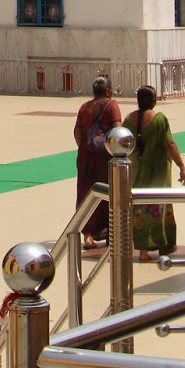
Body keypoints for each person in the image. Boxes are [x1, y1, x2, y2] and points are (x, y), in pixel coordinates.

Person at [128, 85, 185, 261]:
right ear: (153, 101)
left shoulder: (129, 119)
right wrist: (181, 166)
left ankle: (143, 251)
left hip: (137, 174)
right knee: (159, 209)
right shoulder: (159, 119)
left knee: (140, 210)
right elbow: (169, 144)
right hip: (158, 174)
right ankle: (163, 246)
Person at [73, 75, 122, 250]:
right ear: (108, 91)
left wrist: (86, 148)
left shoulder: (84, 107)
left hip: (86, 156)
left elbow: (77, 132)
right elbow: (117, 129)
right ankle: (111, 233)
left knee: (86, 193)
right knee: (108, 192)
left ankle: (88, 236)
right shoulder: (111, 105)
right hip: (105, 156)